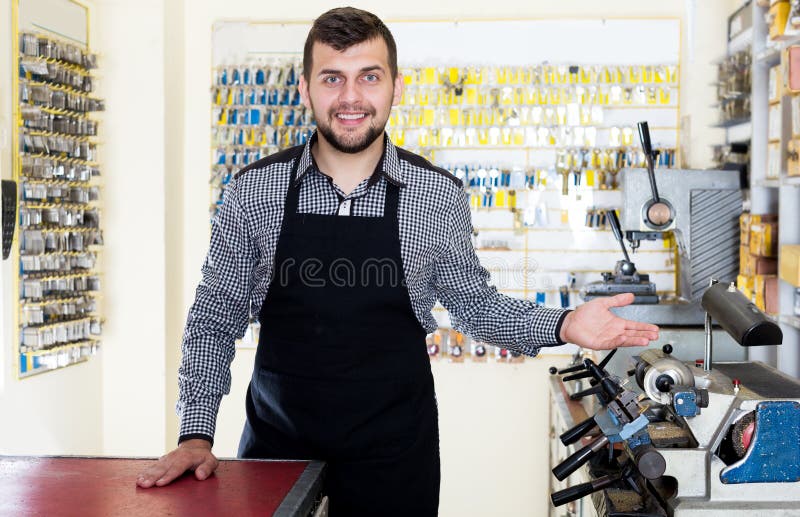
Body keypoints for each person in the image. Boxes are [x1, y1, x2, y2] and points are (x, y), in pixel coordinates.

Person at [136, 7, 659, 516]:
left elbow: (476, 308)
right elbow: (213, 319)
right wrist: (195, 435)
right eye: (332, 78)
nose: (351, 97)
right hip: (279, 456)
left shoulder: (436, 195)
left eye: (369, 77)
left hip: (394, 463)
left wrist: (565, 324)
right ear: (305, 89)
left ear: (396, 87)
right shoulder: (253, 192)